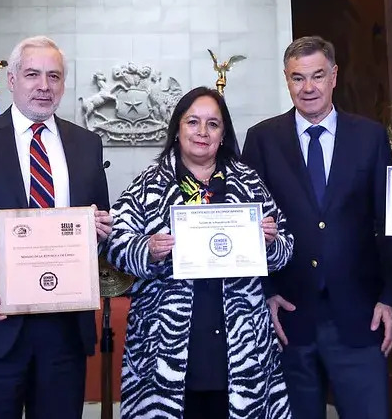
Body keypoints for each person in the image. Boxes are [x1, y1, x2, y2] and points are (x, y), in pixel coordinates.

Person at [0, 35, 112, 419]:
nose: (44, 86)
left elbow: (97, 222)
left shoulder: (87, 144)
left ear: (63, 84)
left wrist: (100, 228)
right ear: (12, 79)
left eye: (54, 76)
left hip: (64, 334)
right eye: (33, 74)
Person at [106, 86, 293, 419]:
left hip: (240, 344)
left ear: (223, 135)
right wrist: (147, 249)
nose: (202, 132)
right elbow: (113, 242)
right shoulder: (150, 184)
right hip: (166, 342)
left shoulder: (248, 183)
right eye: (193, 122)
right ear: (177, 129)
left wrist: (270, 242)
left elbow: (286, 245)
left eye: (213, 124)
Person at [241, 36, 392, 419]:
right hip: (289, 318)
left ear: (334, 76)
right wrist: (266, 292)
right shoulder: (262, 139)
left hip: (361, 316)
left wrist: (391, 296)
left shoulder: (370, 136)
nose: (308, 87)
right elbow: (248, 224)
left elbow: (390, 221)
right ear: (286, 79)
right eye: (298, 78)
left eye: (317, 76)